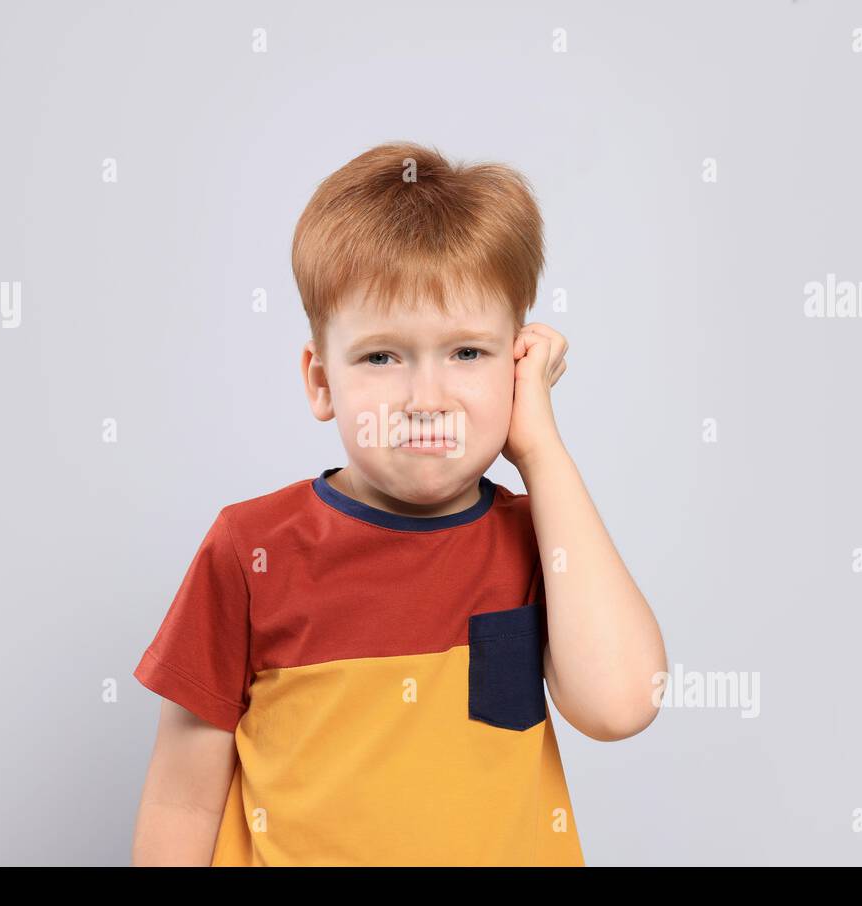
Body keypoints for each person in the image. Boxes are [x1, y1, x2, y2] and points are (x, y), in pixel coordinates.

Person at [131, 141, 667, 866]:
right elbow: (180, 798)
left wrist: (541, 451)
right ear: (321, 381)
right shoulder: (251, 548)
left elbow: (622, 701)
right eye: (382, 356)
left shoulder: (542, 537)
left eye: (469, 353)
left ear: (519, 365)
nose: (426, 399)